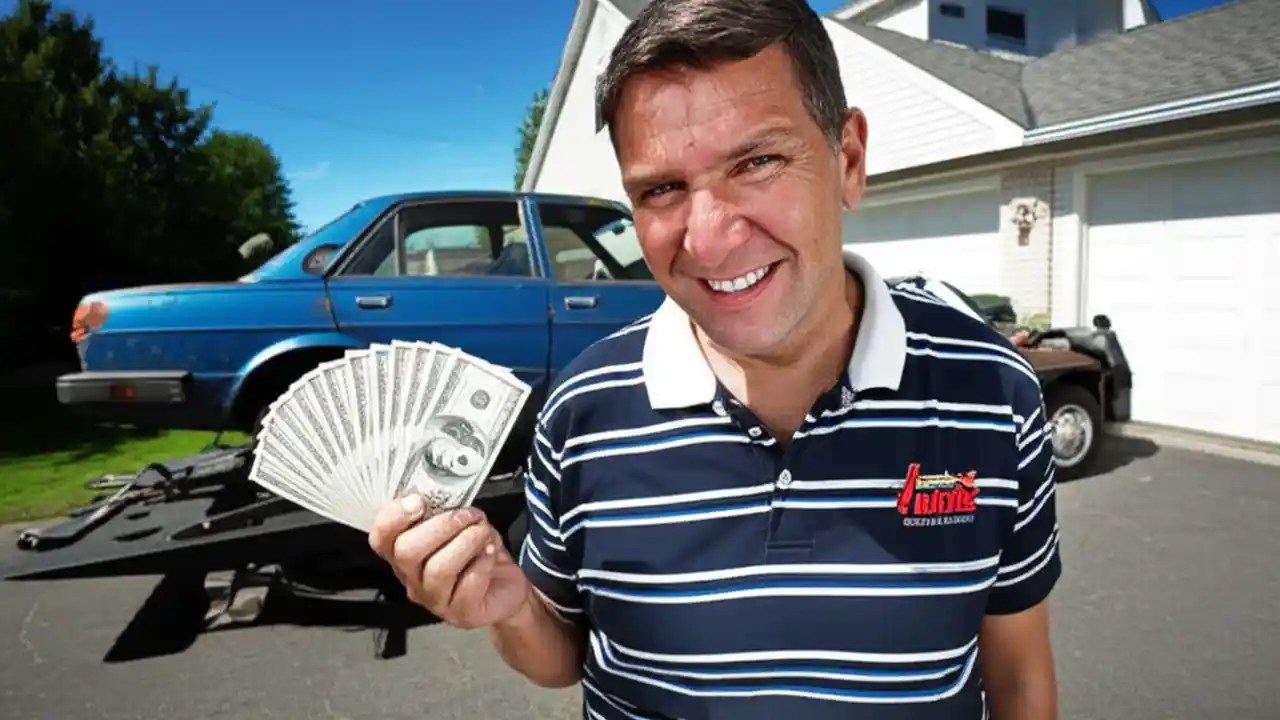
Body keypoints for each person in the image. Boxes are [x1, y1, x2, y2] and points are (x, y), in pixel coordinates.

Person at [368, 0, 1061, 717]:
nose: (710, 239)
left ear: (848, 160)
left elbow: (1016, 673)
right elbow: (565, 655)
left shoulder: (990, 390)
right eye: (663, 189)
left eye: (757, 162)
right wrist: (509, 607)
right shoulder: (584, 410)